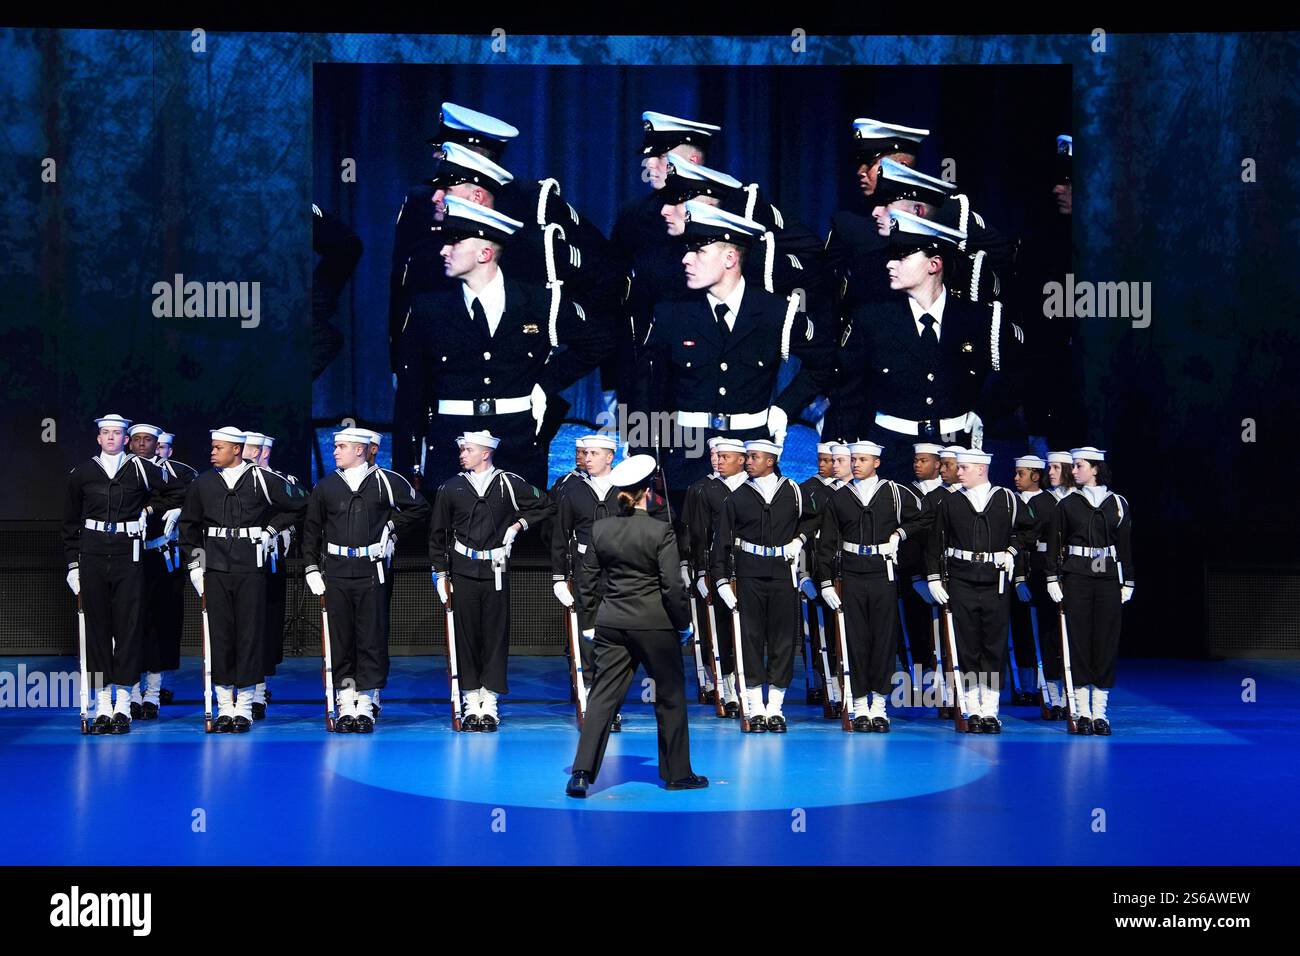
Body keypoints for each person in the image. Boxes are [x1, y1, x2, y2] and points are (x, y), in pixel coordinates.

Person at [395, 195, 611, 488]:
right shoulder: (427, 309)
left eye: (454, 242)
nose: (444, 250)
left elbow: (598, 342)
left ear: (484, 253)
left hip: (516, 445)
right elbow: (412, 391)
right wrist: (407, 466)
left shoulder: (539, 302)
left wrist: (544, 384)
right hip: (450, 448)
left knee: (520, 527)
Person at [634, 200, 831, 494]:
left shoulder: (775, 312)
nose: (686, 259)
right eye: (688, 249)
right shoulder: (670, 313)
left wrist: (782, 410)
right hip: (685, 459)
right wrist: (645, 449)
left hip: (751, 457)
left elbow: (824, 362)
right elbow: (648, 386)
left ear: (729, 258)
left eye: (698, 251)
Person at [817, 209, 1026, 482]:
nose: (890, 264)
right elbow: (848, 393)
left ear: (934, 264)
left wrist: (983, 413)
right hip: (890, 458)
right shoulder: (872, 319)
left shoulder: (978, 319)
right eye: (891, 256)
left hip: (956, 456)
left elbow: (1017, 375)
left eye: (901, 257)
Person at [566, 454, 707, 797]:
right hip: (654, 624)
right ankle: (677, 774)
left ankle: (581, 774)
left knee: (602, 698)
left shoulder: (601, 528)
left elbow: (586, 582)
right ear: (648, 491)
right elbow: (672, 586)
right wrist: (684, 624)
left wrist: (590, 621)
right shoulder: (661, 531)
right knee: (670, 698)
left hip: (612, 623)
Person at [63, 414, 187, 734]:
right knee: (98, 629)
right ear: (98, 437)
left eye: (117, 433)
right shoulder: (83, 472)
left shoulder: (142, 468)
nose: (111, 438)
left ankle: (123, 703)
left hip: (128, 553)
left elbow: (182, 489)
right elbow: (69, 522)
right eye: (105, 433)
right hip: (92, 553)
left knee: (129, 627)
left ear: (124, 438)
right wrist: (72, 565)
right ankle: (102, 703)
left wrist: (155, 510)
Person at [179, 427, 307, 732]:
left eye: (218, 447)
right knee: (221, 635)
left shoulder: (261, 479)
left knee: (249, 634)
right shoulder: (204, 482)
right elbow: (188, 525)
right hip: (216, 567)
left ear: (236, 450)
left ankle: (245, 706)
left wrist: (272, 530)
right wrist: (196, 565)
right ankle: (224, 705)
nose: (212, 452)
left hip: (251, 567)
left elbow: (302, 503)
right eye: (212, 446)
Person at [302, 428, 429, 732]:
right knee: (342, 637)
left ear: (360, 450)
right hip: (336, 570)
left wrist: (392, 529)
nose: (335, 451)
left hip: (372, 570)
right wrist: (310, 568)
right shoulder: (327, 486)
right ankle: (346, 700)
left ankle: (367, 699)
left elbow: (420, 509)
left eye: (341, 446)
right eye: (335, 446)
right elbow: (311, 530)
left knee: (371, 636)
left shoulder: (387, 481)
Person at [428, 430, 553, 731]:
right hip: (462, 569)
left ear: (485, 453)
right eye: (461, 449)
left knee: (495, 636)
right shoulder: (451, 488)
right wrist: (440, 574)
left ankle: (490, 702)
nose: (462, 454)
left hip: (496, 569)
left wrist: (519, 525)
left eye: (468, 449)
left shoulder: (509, 483)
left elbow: (547, 505)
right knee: (467, 635)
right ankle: (471, 702)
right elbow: (437, 535)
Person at [710, 439, 820, 732]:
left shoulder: (794, 492)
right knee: (751, 639)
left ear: (770, 460)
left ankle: (775, 707)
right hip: (749, 575)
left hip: (784, 576)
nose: (748, 461)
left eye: (754, 457)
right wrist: (721, 581)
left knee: (783, 641)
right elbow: (720, 542)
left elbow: (813, 519)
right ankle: (755, 706)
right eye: (746, 457)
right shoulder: (736, 496)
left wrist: (799, 541)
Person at [923, 449, 1036, 733]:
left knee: (994, 644)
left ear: (981, 470)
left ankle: (991, 709)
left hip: (995, 580)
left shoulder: (1006, 499)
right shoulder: (950, 501)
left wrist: (1011, 550)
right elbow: (935, 542)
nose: (957, 473)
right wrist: (935, 577)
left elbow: (1029, 530)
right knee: (967, 643)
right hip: (961, 579)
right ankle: (972, 708)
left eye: (963, 468)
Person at [816, 440, 924, 730]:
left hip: (882, 573)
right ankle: (860, 704)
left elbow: (921, 519)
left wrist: (898, 534)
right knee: (857, 640)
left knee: (883, 640)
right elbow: (825, 543)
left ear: (876, 462)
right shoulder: (839, 497)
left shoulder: (895, 493)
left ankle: (879, 704)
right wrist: (826, 583)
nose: (856, 464)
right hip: (851, 573)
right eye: (853, 459)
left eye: (862, 460)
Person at [1044, 446, 1133, 735]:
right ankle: (1082, 711)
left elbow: (1125, 547)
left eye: (1079, 465)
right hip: (1078, 576)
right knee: (1079, 640)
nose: (1074, 471)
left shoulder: (1117, 503)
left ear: (1095, 468)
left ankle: (1100, 712)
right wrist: (1052, 579)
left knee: (1105, 641)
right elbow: (1055, 545)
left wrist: (1128, 580)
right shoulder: (1067, 504)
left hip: (1106, 577)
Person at [128, 423, 197, 718]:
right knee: (129, 626)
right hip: (128, 557)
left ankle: (153, 693)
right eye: (138, 439)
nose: (143, 445)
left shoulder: (177, 473)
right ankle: (130, 692)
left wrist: (171, 510)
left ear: (158, 444)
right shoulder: (121, 472)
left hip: (162, 555)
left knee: (162, 625)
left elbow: (189, 497)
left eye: (149, 440)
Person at [685, 436, 749, 716]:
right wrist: (699, 570)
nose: (717, 460)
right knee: (720, 629)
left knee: (750, 630)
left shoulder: (754, 487)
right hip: (718, 567)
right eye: (715, 455)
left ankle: (749, 684)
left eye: (724, 456)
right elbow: (697, 534)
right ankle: (726, 685)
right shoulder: (703, 489)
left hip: (751, 567)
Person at [1011, 454, 1066, 717]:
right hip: (1020, 573)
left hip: (1044, 571)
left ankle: (1054, 693)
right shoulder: (1009, 500)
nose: (1016, 478)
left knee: (1047, 631)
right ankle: (1026, 687)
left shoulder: (1049, 502)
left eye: (1021, 473)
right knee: (1021, 631)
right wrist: (1019, 577)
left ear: (1035, 475)